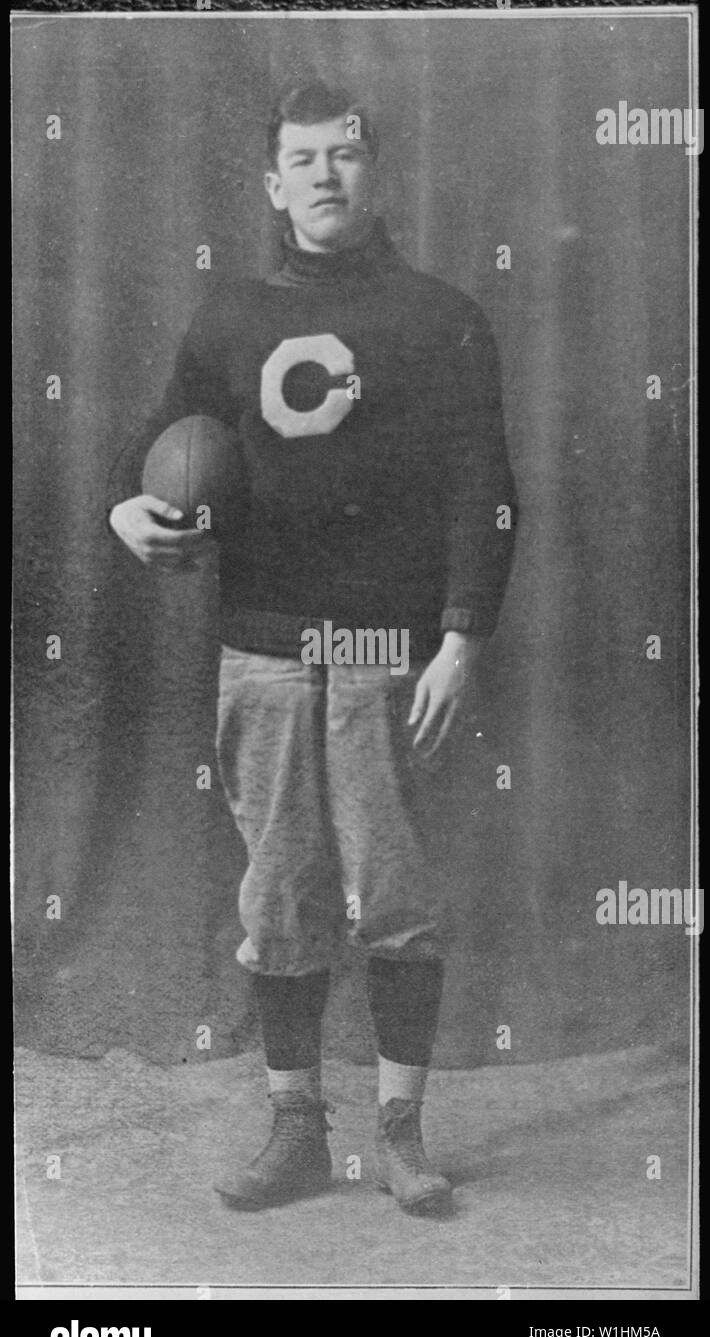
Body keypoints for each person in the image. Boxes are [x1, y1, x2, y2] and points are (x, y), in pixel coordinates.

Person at [108, 80, 517, 1216]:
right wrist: (121, 512)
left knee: (394, 893)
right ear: (272, 182)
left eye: (345, 155)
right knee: (279, 897)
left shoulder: (440, 317)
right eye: (303, 158)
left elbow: (485, 490)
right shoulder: (227, 319)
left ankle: (397, 1131)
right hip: (263, 650)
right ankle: (295, 1127)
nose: (326, 175)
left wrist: (460, 639)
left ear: (371, 171)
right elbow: (152, 447)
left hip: (392, 653)